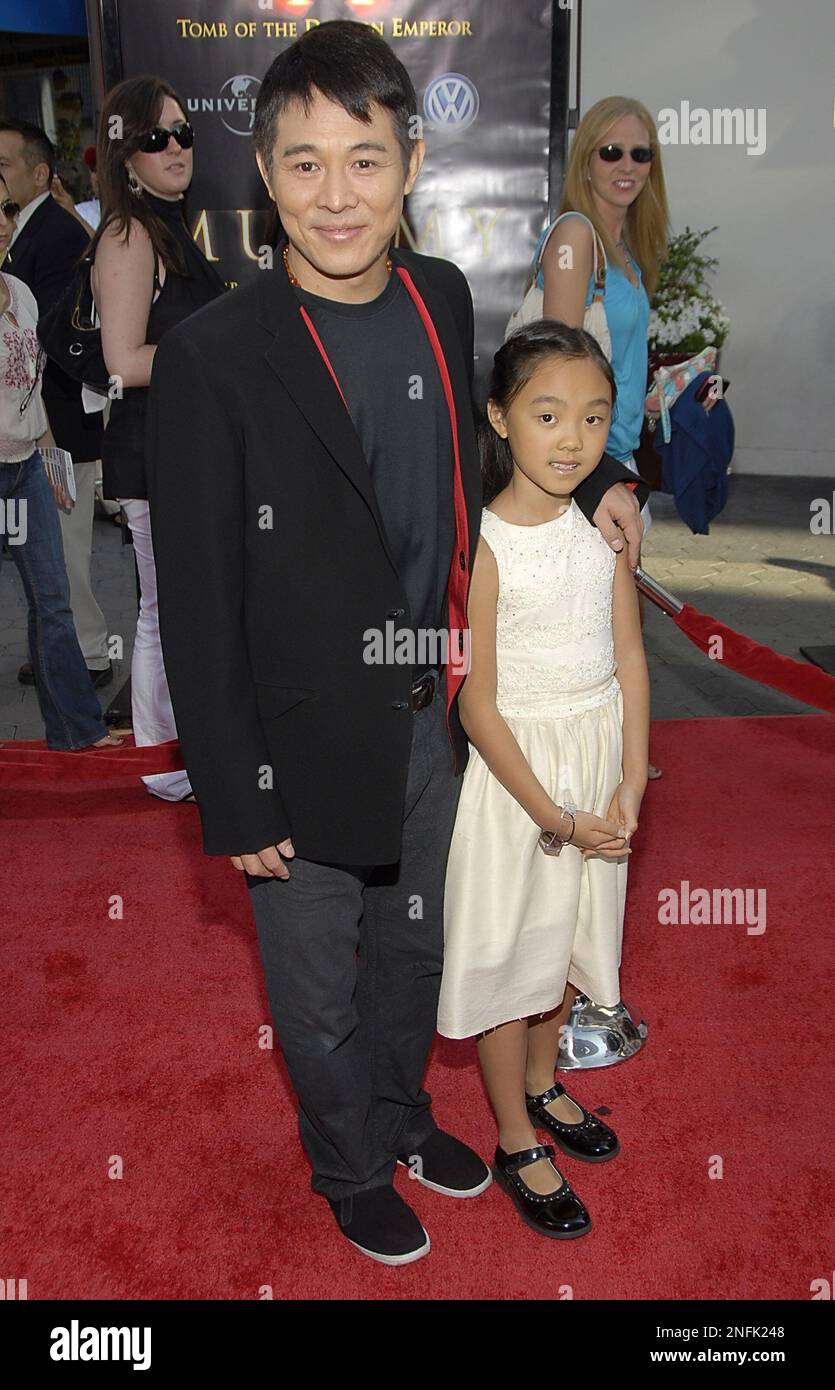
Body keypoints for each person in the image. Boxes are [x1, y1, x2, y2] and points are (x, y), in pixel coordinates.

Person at [145, 20, 649, 1266]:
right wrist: (234, 782)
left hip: (432, 710)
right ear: (262, 174)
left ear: (412, 162)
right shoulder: (213, 355)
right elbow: (198, 595)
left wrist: (597, 480)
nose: (336, 195)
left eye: (364, 160)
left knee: (417, 946)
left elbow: (492, 454)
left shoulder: (438, 294)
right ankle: (348, 1164)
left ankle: (404, 1111)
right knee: (315, 984)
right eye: (304, 163)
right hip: (296, 734)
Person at [438, 320, 650, 1238]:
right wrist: (554, 815)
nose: (571, 439)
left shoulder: (603, 532)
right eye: (547, 414)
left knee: (564, 946)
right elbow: (474, 704)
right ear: (498, 417)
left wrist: (630, 786)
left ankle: (542, 1078)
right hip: (518, 788)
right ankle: (515, 1136)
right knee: (511, 965)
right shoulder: (480, 545)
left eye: (594, 418)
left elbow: (632, 662)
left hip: (597, 770)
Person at [90, 76, 227, 801]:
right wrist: (219, 357)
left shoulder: (174, 225)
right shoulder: (129, 232)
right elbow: (122, 360)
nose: (175, 147)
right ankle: (163, 766)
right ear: (125, 152)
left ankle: (177, 754)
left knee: (180, 606)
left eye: (183, 133)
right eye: (155, 137)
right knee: (161, 611)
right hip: (154, 451)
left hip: (186, 449)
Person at [537, 97, 672, 780]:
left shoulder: (623, 247)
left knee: (613, 622)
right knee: (590, 627)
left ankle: (611, 753)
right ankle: (579, 767)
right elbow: (554, 368)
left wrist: (651, 396)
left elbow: (608, 357)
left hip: (618, 451)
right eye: (609, 152)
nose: (625, 166)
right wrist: (587, 474)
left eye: (639, 153)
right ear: (584, 160)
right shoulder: (575, 235)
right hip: (587, 466)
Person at [0, 174, 120, 752]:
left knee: (53, 601)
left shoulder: (20, 293)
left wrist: (50, 453)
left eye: (4, 206)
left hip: (26, 467)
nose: (1, 219)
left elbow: (33, 386)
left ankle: (77, 732)